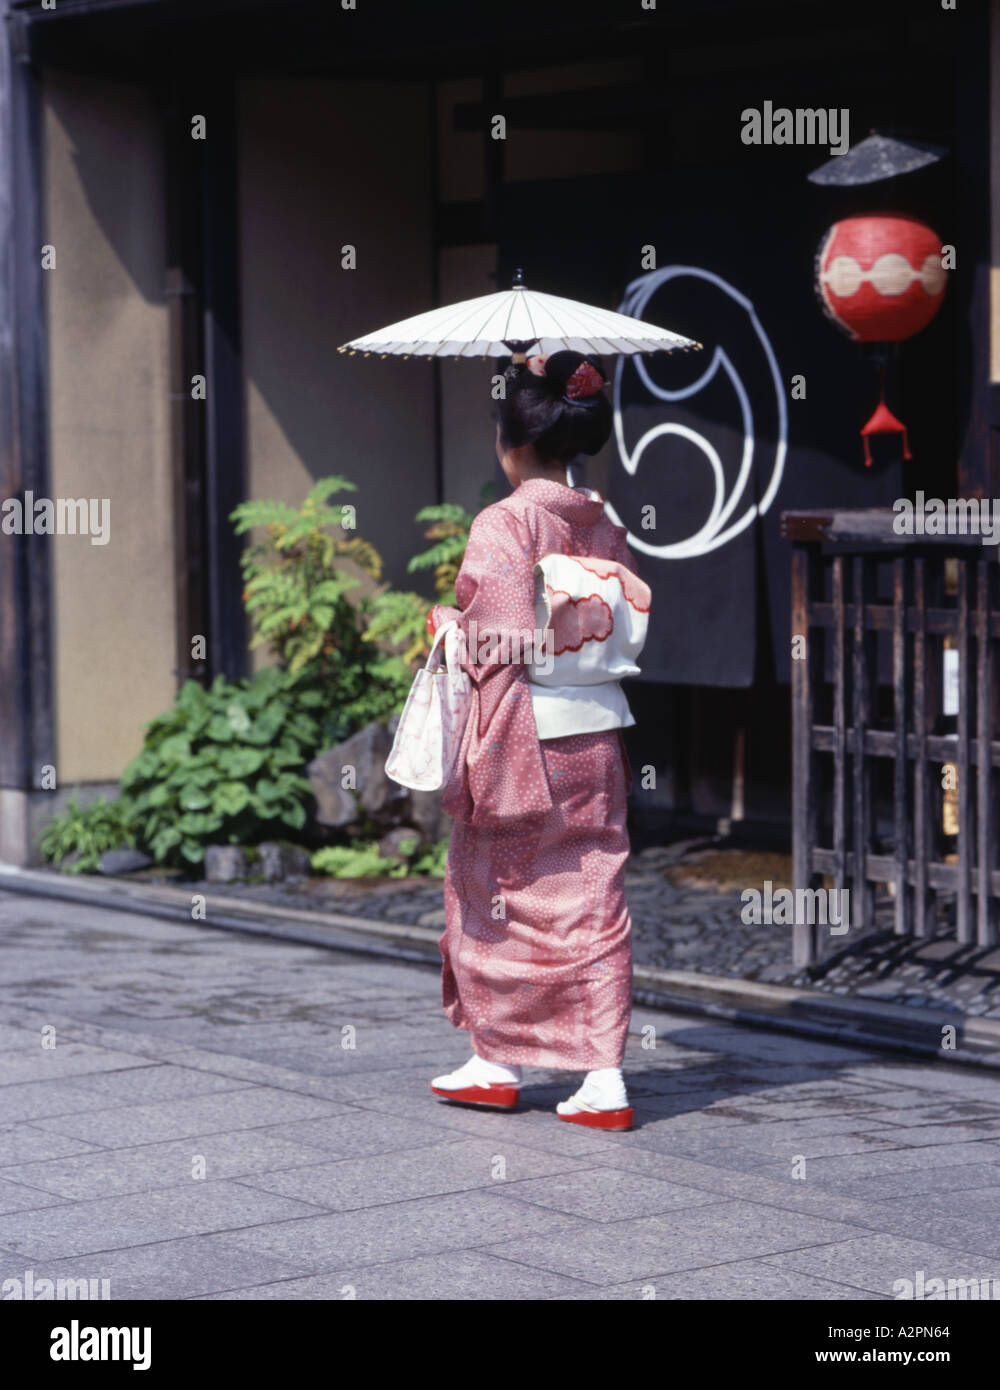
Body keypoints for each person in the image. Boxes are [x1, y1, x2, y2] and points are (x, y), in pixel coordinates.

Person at [426, 349, 650, 1130]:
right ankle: (603, 1077)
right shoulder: (603, 522)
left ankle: (496, 1060)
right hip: (597, 733)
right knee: (591, 892)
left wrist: (449, 627)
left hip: (525, 733)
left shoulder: (507, 520)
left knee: (496, 889)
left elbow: (499, 642)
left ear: (507, 441)